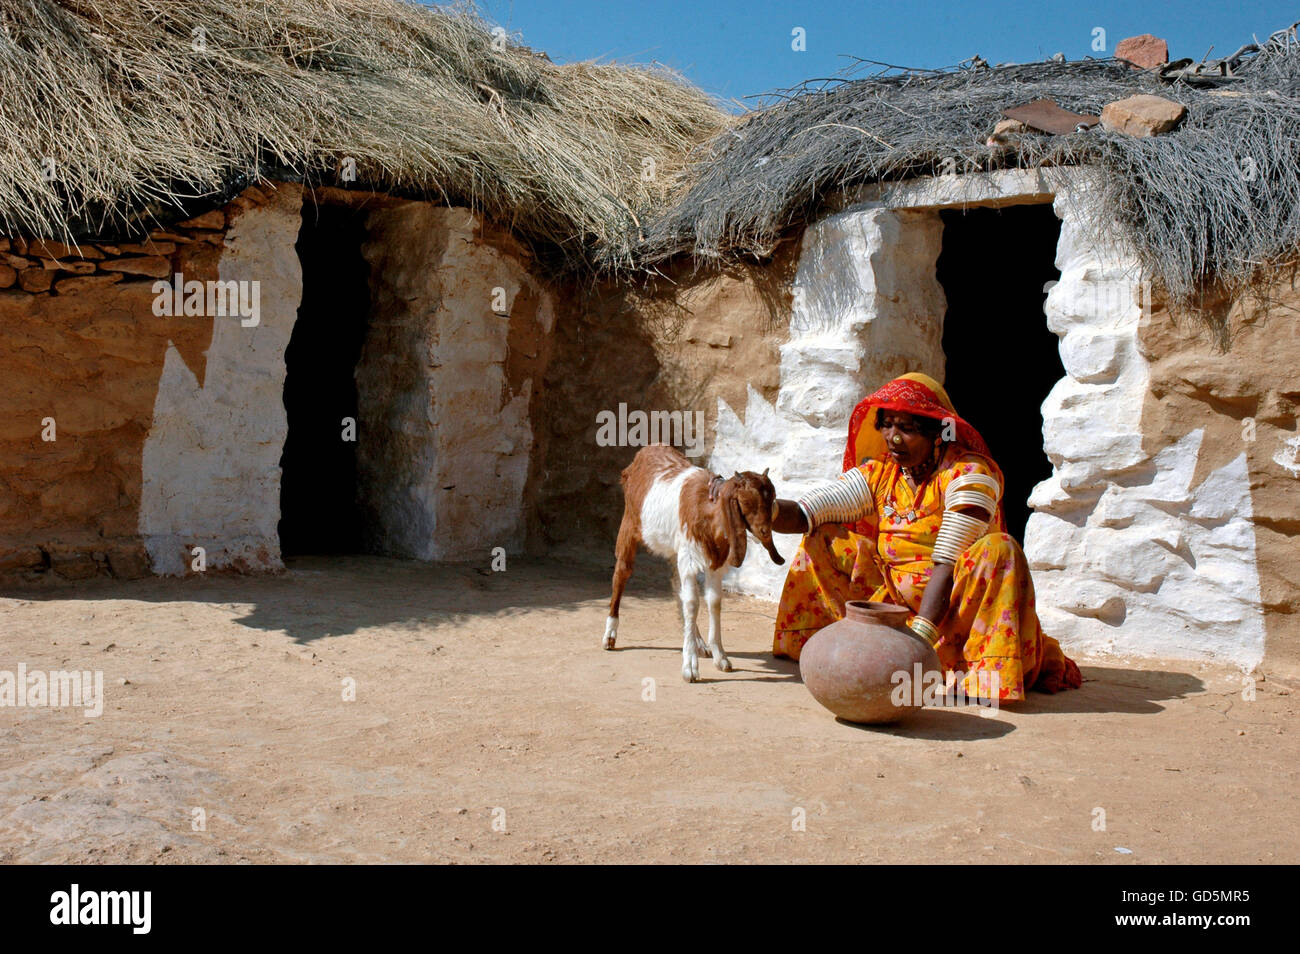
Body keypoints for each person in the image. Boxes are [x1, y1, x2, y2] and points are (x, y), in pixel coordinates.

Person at [768, 372, 1081, 702]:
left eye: (907, 428)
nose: (894, 438)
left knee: (999, 549)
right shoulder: (882, 474)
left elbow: (946, 564)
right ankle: (828, 646)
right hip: (895, 607)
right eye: (887, 425)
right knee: (824, 536)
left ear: (937, 432)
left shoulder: (969, 473)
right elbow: (808, 513)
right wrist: (764, 509)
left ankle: (973, 673)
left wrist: (916, 643)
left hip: (956, 614)